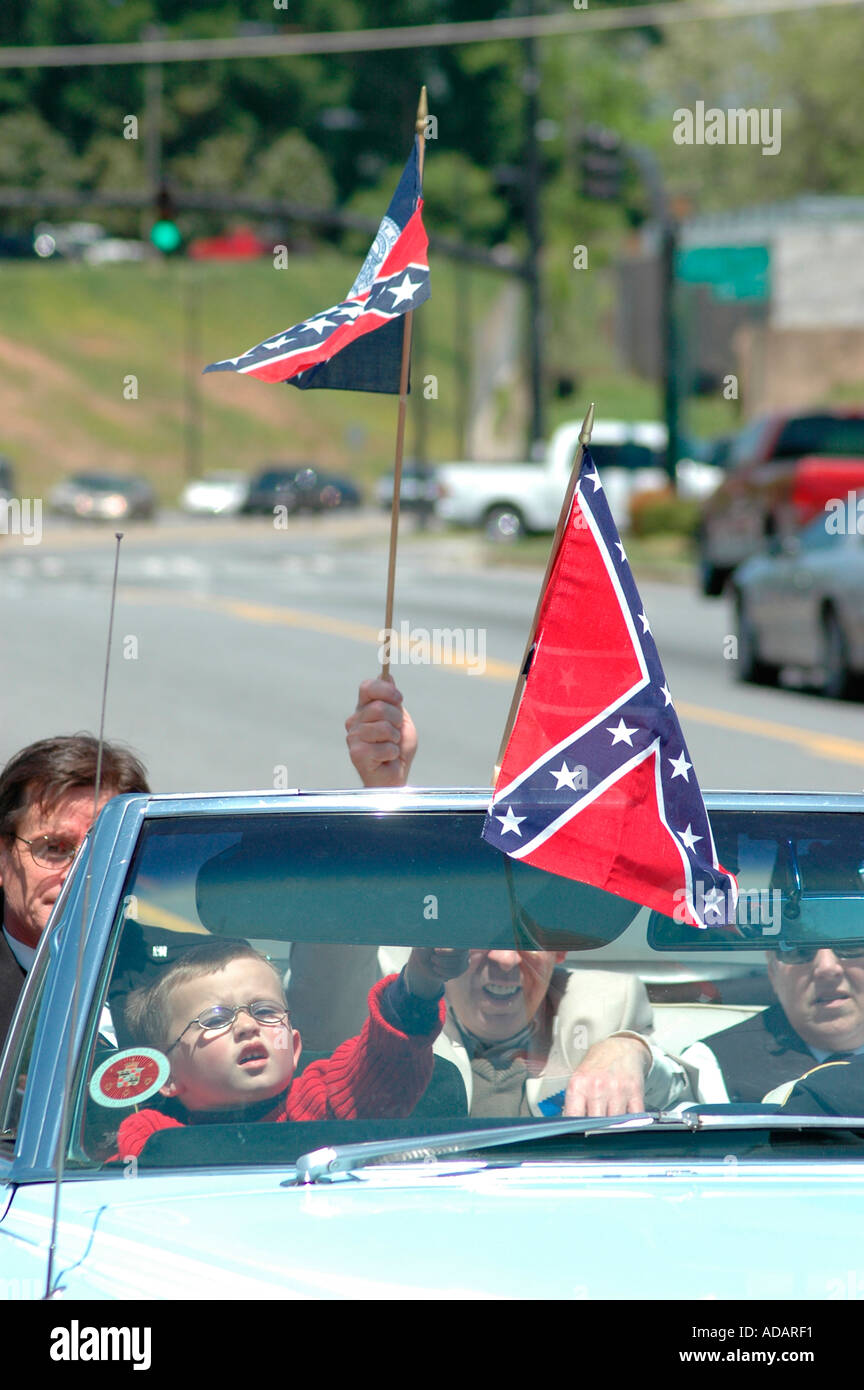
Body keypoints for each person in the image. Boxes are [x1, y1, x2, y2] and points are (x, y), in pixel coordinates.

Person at [346, 678, 691, 1117]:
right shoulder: (400, 996)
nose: (506, 959)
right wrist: (381, 797)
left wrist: (631, 1053)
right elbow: (326, 1000)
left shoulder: (607, 1009)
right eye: (483, 929)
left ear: (562, 945)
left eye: (526, 931)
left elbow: (692, 1102)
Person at [115, 938, 468, 1157]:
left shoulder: (318, 1102)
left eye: (265, 1011)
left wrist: (421, 982)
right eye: (215, 1019)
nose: (248, 1026)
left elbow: (382, 1061)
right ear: (167, 1074)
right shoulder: (149, 1141)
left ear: (295, 1047)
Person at [0, 735, 151, 1045]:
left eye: (105, 849)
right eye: (54, 848)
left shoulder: (191, 971)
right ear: (3, 857)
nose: (79, 874)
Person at [682, 945, 864, 1104]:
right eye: (799, 950)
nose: (826, 968)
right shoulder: (709, 1068)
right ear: (772, 971)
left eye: (849, 945)